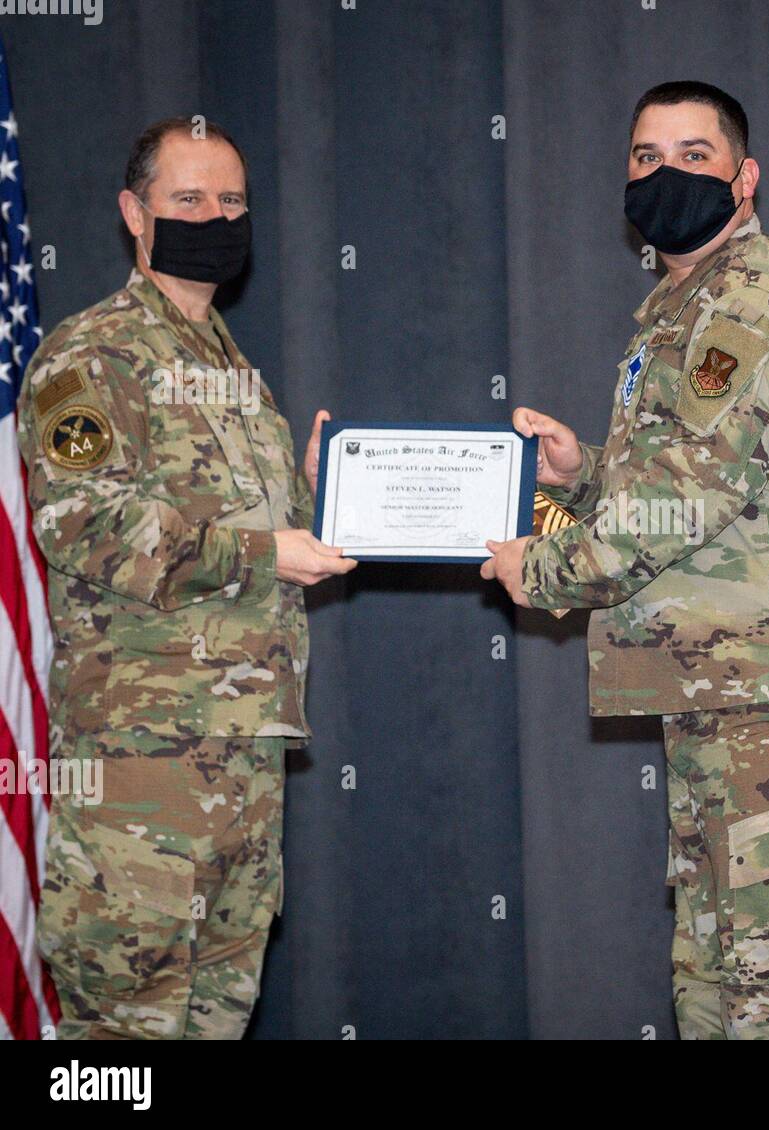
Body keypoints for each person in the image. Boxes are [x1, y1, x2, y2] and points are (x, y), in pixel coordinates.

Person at [482, 81, 769, 1039]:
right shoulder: (681, 307)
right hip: (723, 685)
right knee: (716, 986)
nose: (666, 173)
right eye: (645, 157)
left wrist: (538, 569)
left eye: (693, 155)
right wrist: (581, 479)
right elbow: (696, 492)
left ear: (744, 178)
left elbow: (683, 502)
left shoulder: (748, 305)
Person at [17, 116, 355, 1039]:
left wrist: (322, 494)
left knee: (215, 1018)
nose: (216, 217)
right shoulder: (90, 356)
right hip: (144, 776)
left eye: (233, 201)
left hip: (241, 766)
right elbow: (84, 524)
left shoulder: (233, 370)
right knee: (124, 1041)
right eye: (190, 200)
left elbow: (256, 538)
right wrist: (263, 549)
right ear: (135, 213)